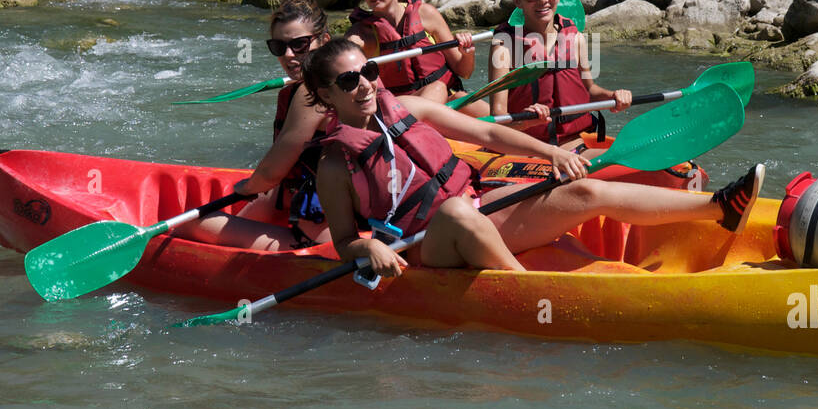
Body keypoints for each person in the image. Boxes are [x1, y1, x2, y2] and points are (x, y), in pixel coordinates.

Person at [304, 38, 764, 278]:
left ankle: (719, 209)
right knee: (455, 213)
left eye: (367, 72)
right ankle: (523, 286)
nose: (364, 85)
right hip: (428, 244)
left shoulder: (409, 108)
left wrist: (549, 152)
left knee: (583, 189)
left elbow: (488, 131)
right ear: (327, 95)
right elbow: (344, 240)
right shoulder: (334, 165)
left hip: (478, 205)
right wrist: (368, 247)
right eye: (348, 82)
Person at [183, 0, 337, 250]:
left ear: (324, 41)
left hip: (319, 242)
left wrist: (246, 187)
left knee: (188, 224)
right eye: (279, 46)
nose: (288, 55)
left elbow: (270, 174)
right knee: (271, 197)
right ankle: (233, 240)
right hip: (343, 209)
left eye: (300, 44)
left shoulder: (309, 93)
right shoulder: (355, 81)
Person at [489, 0, 631, 153]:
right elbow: (498, 117)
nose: (543, 0)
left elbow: (590, 91)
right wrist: (526, 122)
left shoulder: (575, 39)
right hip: (529, 148)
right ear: (517, 0)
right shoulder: (504, 47)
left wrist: (614, 96)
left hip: (576, 141)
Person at [346, 0, 488, 115]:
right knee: (438, 87)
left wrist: (468, 54)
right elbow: (339, 68)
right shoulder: (361, 35)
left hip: (444, 102)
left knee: (463, 98)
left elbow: (465, 72)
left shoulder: (427, 15)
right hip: (400, 110)